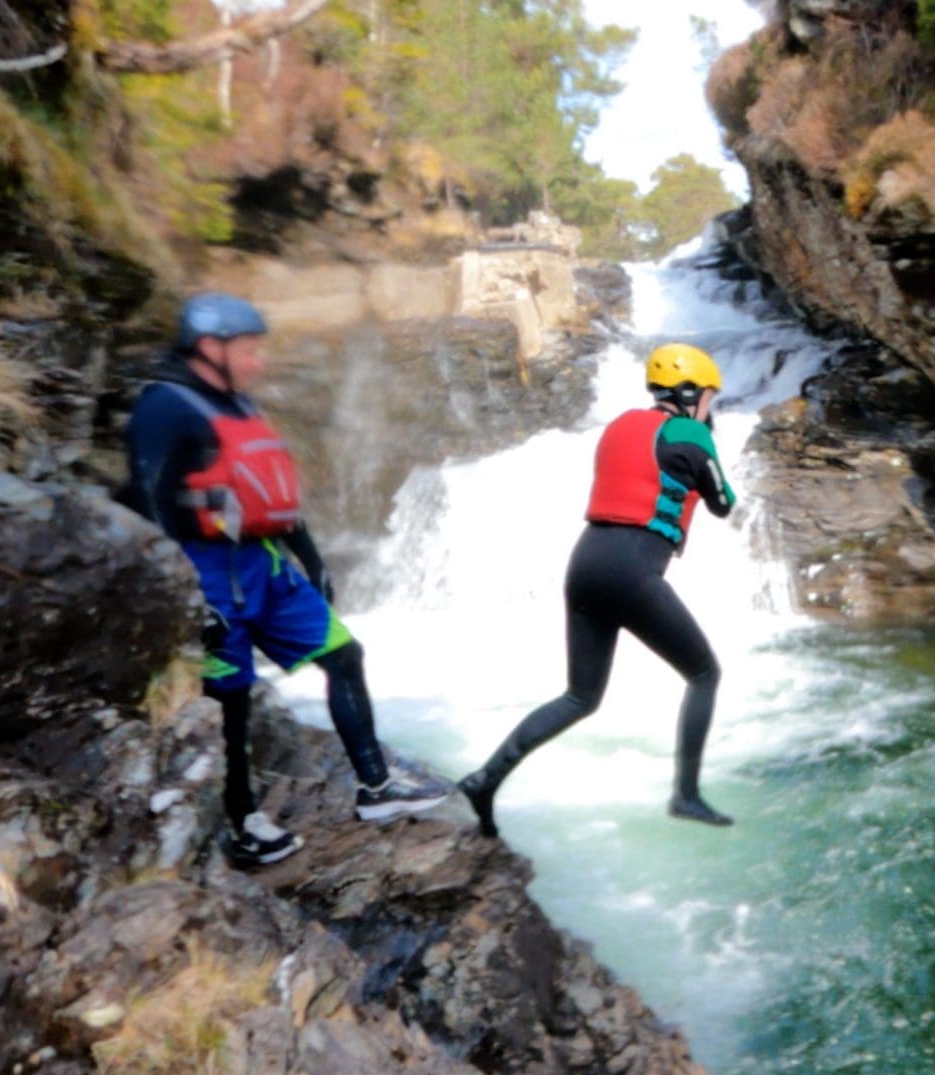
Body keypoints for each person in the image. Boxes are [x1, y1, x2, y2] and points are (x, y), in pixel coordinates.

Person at [123, 292, 448, 867]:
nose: (258, 362)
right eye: (248, 350)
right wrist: (184, 596)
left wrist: (312, 559)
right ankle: (243, 821)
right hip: (209, 574)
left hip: (268, 567)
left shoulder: (238, 405)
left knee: (345, 655)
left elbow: (271, 494)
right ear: (209, 348)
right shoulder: (164, 407)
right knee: (231, 700)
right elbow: (149, 505)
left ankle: (376, 788)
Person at [456, 343, 738, 838]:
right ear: (691, 392)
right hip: (631, 569)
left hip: (585, 563)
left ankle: (483, 781)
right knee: (704, 673)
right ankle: (686, 796)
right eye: (710, 396)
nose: (711, 406)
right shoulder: (690, 431)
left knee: (579, 697)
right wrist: (705, 440)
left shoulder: (620, 425)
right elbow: (723, 502)